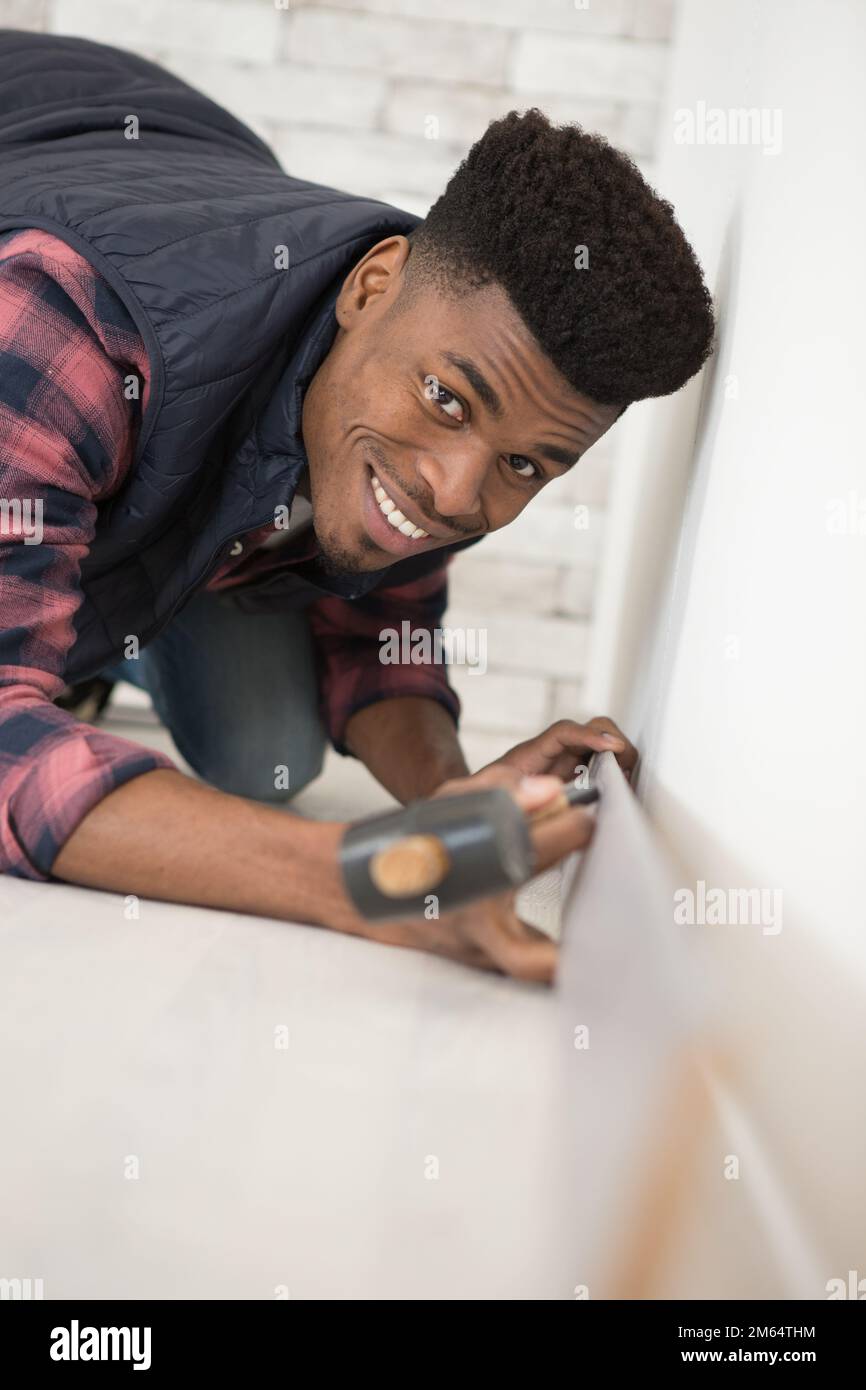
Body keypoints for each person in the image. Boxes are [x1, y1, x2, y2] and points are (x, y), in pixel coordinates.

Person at [0, 33, 713, 978]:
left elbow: (382, 636)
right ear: (372, 286)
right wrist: (370, 879)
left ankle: (68, 613)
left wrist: (454, 811)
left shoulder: (418, 376)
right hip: (54, 202)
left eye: (528, 467)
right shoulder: (67, 318)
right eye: (449, 401)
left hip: (171, 176)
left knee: (267, 755)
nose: (459, 494)